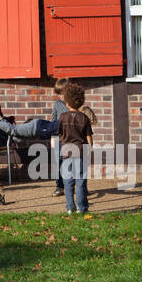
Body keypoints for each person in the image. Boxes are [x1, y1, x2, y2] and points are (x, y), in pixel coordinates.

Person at [57, 83, 92, 214]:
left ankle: (70, 207)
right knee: (81, 180)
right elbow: (89, 137)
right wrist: (90, 150)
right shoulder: (84, 118)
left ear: (67, 102)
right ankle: (82, 208)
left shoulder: (63, 117)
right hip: (81, 152)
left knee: (68, 181)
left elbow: (60, 133)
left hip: (66, 152)